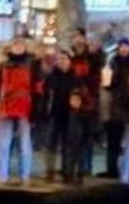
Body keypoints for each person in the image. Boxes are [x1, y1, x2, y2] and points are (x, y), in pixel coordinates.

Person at [0, 37, 40, 185]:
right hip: (6, 106)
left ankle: (25, 177)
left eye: (21, 44)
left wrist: (36, 108)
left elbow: (37, 87)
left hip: (24, 107)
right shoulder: (3, 63)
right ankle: (2, 177)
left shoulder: (33, 64)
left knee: (25, 145)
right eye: (15, 43)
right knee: (3, 144)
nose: (18, 46)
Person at [101, 38, 129, 178]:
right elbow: (108, 84)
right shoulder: (113, 62)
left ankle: (128, 171)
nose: (124, 49)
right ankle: (112, 169)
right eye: (121, 46)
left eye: (126, 46)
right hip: (115, 106)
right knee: (113, 140)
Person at [69, 28, 103, 174]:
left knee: (86, 136)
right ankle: (72, 167)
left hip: (89, 100)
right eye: (74, 37)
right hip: (72, 100)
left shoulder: (92, 56)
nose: (77, 40)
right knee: (74, 136)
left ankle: (85, 167)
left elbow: (97, 75)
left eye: (80, 37)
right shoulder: (70, 55)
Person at [44, 50, 80, 181]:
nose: (62, 62)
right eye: (59, 59)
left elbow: (79, 95)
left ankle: (67, 171)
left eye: (64, 59)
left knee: (68, 143)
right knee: (50, 143)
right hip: (54, 113)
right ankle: (49, 170)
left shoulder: (75, 78)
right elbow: (45, 95)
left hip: (70, 114)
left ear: (70, 61)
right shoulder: (51, 77)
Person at [64, 87, 93, 185]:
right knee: (69, 158)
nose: (74, 102)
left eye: (77, 100)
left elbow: (88, 128)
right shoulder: (67, 113)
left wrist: (86, 138)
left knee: (80, 159)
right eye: (72, 100)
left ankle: (80, 176)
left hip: (81, 140)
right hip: (69, 140)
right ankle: (69, 175)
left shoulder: (84, 114)